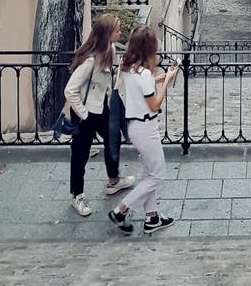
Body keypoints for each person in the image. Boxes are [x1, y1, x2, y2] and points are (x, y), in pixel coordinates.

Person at [108, 26, 177, 235]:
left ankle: (151, 217)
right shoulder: (144, 73)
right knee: (157, 175)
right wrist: (166, 81)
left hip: (135, 126)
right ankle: (121, 210)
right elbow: (154, 104)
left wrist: (160, 78)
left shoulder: (128, 68)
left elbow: (140, 87)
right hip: (147, 128)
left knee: (149, 173)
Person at [64, 13, 134, 218]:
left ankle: (113, 181)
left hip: (101, 108)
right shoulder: (89, 60)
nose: (120, 32)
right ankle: (77, 196)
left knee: (113, 140)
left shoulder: (110, 49)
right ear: (107, 33)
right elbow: (70, 90)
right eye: (117, 30)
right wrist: (84, 114)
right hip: (85, 113)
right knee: (80, 155)